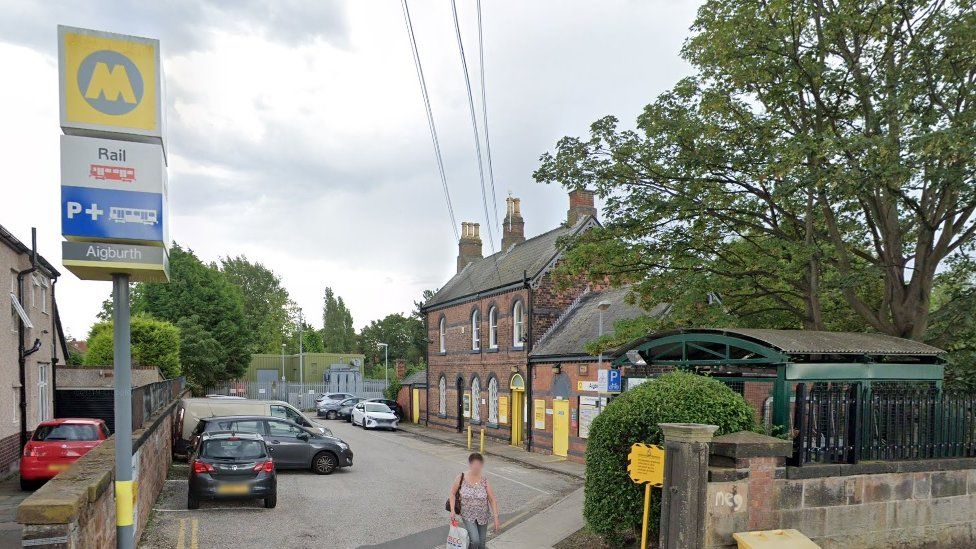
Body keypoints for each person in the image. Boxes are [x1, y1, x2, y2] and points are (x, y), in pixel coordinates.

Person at [448, 452, 500, 548]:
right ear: (470, 464)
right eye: (474, 464)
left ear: (481, 465)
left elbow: (492, 499)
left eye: (479, 464)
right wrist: (452, 510)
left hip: (483, 516)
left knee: (481, 543)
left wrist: (496, 518)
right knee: (475, 540)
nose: (476, 467)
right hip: (468, 515)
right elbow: (452, 493)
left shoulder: (484, 480)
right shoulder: (461, 477)